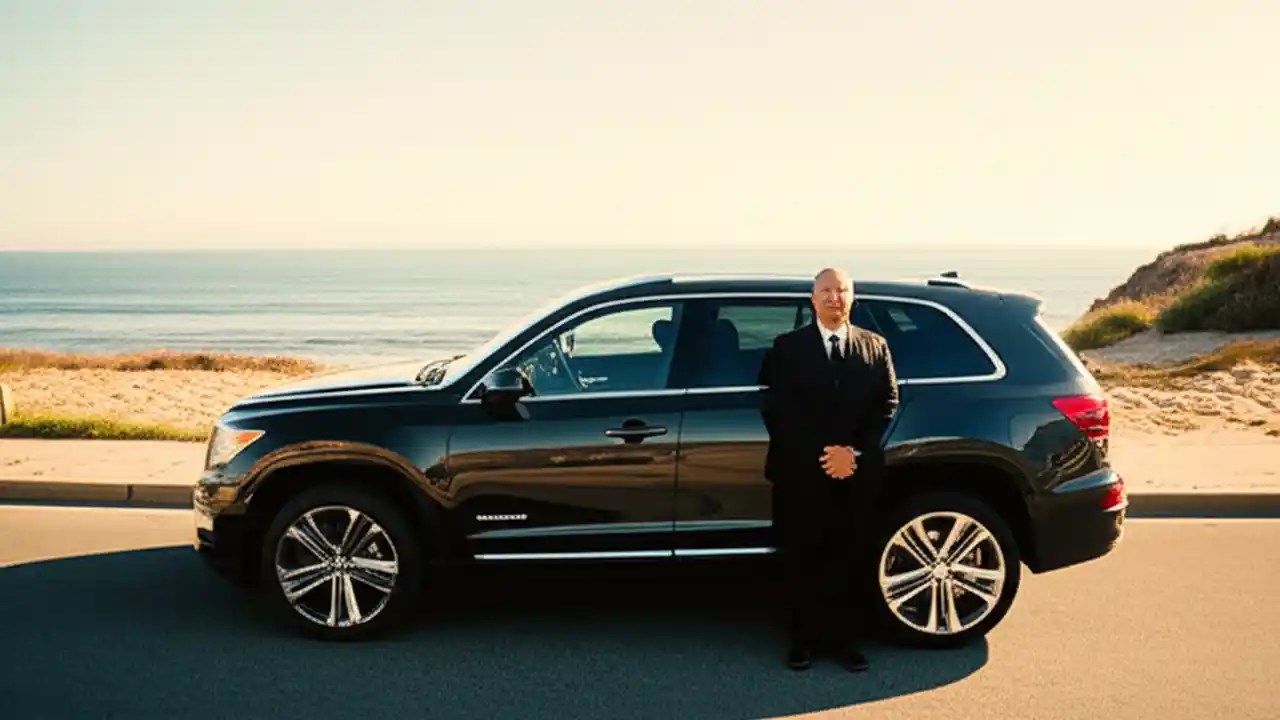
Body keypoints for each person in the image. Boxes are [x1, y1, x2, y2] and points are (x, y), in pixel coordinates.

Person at [757, 267, 900, 672]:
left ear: (852, 298)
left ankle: (847, 642)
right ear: (812, 299)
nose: (834, 297)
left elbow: (887, 403)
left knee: (851, 557)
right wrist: (825, 454)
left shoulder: (876, 346)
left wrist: (851, 453)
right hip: (801, 473)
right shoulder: (787, 347)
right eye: (826, 290)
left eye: (842, 290)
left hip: (856, 474)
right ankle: (803, 641)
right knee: (803, 557)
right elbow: (779, 409)